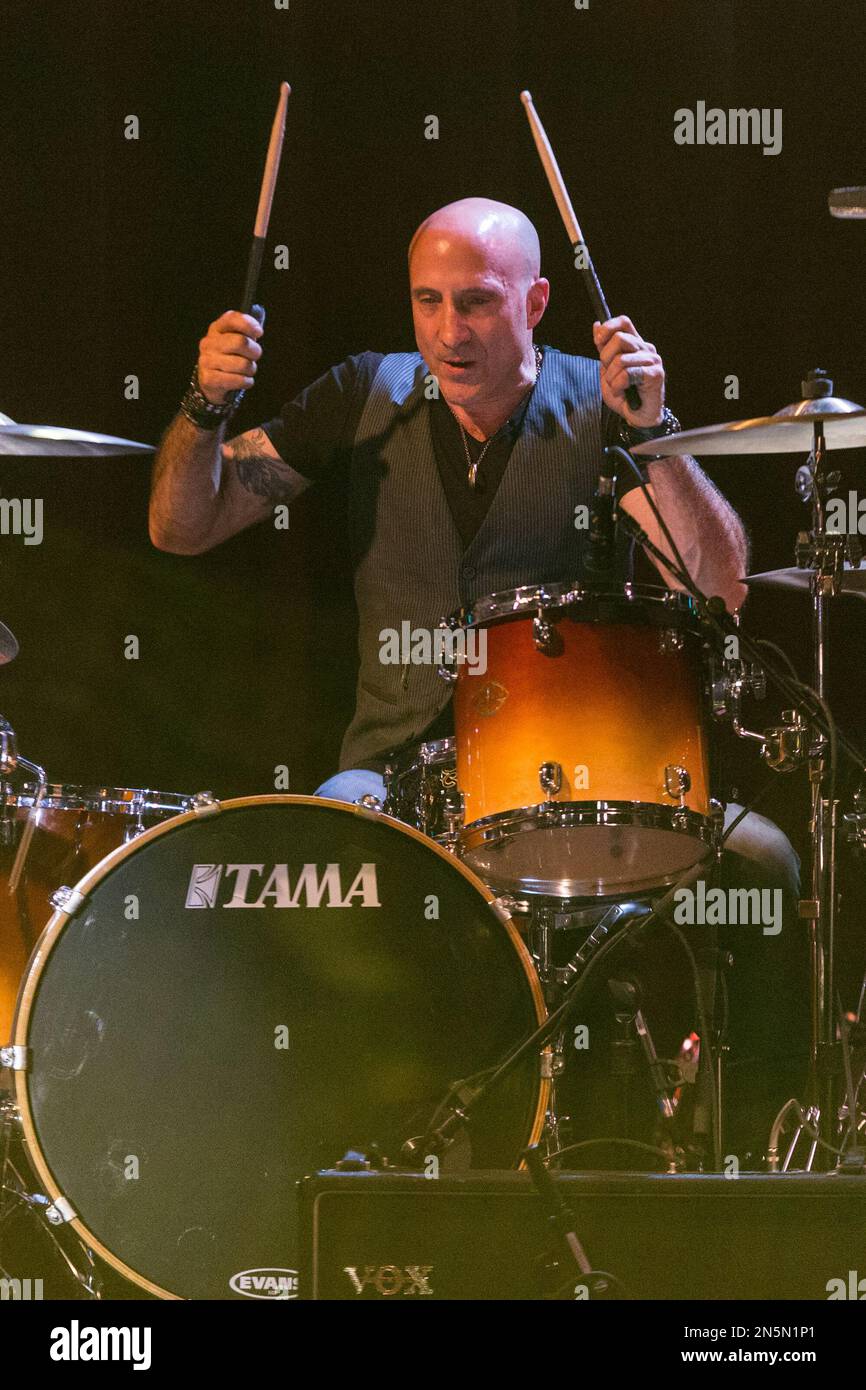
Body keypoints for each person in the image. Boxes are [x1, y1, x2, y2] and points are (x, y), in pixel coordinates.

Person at [150, 197, 804, 1149]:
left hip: (580, 784)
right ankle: (355, 1157)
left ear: (537, 301)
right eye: (428, 302)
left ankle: (754, 1162)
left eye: (478, 303)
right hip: (394, 774)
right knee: (332, 849)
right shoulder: (364, 396)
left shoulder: (600, 404)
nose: (450, 332)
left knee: (766, 861)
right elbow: (181, 527)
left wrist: (656, 434)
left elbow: (722, 587)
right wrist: (207, 405)